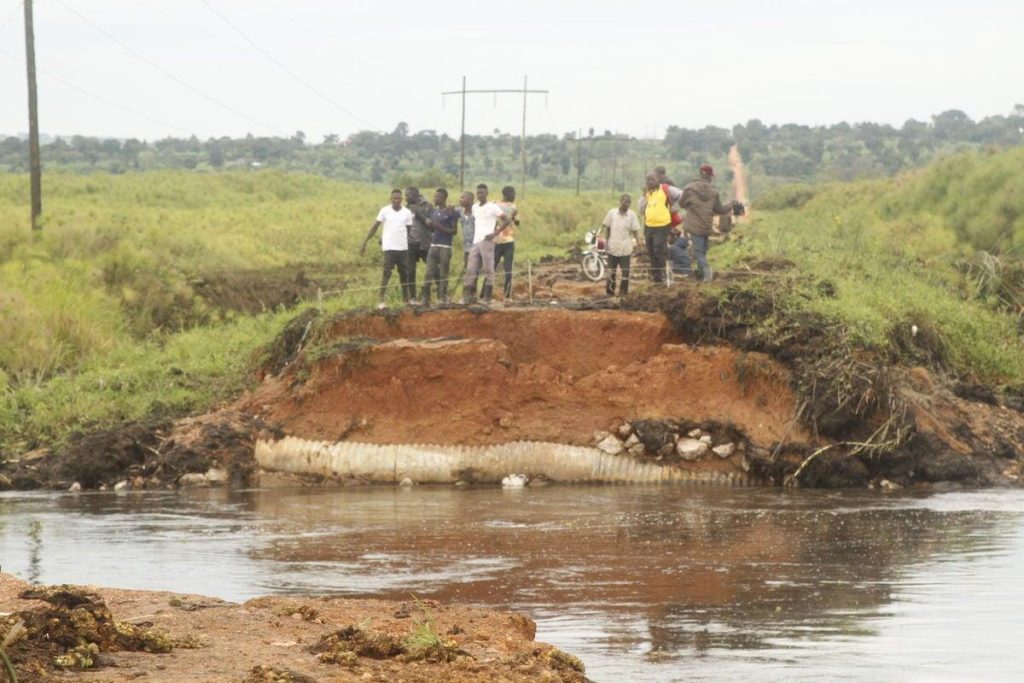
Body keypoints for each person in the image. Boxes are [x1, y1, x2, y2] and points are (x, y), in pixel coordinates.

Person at [679, 164, 738, 282]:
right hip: (706, 226)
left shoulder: (689, 189)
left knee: (698, 253)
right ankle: (702, 275)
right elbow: (719, 210)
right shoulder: (714, 192)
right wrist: (731, 205)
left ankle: (707, 273)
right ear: (710, 177)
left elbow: (681, 204)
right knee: (703, 252)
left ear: (700, 174)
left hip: (694, 226)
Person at [361, 189, 412, 309]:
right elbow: (375, 227)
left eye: (399, 199)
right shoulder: (385, 211)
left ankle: (406, 299)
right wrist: (365, 242)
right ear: (391, 199)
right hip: (389, 248)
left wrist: (401, 240)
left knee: (404, 274)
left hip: (402, 248)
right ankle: (381, 300)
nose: (396, 201)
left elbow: (408, 230)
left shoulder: (407, 212)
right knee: (386, 273)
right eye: (394, 198)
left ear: (402, 199)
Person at [462, 183, 509, 305]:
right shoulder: (475, 207)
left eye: (482, 193)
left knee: (488, 269)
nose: (479, 195)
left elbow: (506, 220)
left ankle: (487, 298)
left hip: (487, 241)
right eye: (478, 193)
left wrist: (495, 233)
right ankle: (466, 297)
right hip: (475, 242)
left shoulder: (493, 207)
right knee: (470, 269)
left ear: (487, 193)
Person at [637, 174, 683, 285]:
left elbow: (682, 195)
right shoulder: (647, 193)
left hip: (662, 225)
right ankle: (656, 277)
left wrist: (674, 208)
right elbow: (640, 210)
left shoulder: (665, 189)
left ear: (658, 180)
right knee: (651, 251)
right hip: (648, 226)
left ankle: (663, 275)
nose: (650, 182)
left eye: (652, 179)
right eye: (647, 180)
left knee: (659, 250)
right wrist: (644, 195)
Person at [422, 188, 460, 306]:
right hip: (433, 245)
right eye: (434, 196)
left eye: (437, 197)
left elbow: (454, 231)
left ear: (444, 198)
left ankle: (442, 298)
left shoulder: (451, 212)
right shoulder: (434, 211)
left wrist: (438, 226)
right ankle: (425, 299)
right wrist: (428, 223)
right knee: (429, 272)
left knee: (444, 273)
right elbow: (433, 227)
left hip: (445, 246)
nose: (434, 199)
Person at [601, 193, 642, 297]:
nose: (627, 204)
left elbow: (635, 231)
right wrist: (606, 243)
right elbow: (608, 228)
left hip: (625, 249)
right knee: (611, 272)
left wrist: (639, 243)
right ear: (620, 202)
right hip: (613, 247)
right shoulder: (612, 213)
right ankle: (610, 293)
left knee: (625, 273)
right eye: (625, 202)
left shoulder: (632, 215)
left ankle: (623, 294)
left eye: (629, 202)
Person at [404, 186, 432, 303]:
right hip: (411, 243)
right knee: (411, 271)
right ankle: (413, 296)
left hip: (425, 242)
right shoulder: (405, 208)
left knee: (432, 269)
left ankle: (439, 294)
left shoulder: (428, 206)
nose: (405, 197)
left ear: (415, 195)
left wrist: (418, 212)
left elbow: (430, 223)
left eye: (407, 195)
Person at [494, 185, 519, 302]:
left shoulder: (494, 204)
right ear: (507, 194)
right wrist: (515, 218)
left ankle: (485, 294)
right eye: (513, 193)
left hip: (496, 240)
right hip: (508, 241)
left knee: (491, 268)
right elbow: (517, 221)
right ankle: (507, 296)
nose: (514, 196)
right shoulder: (513, 207)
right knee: (508, 269)